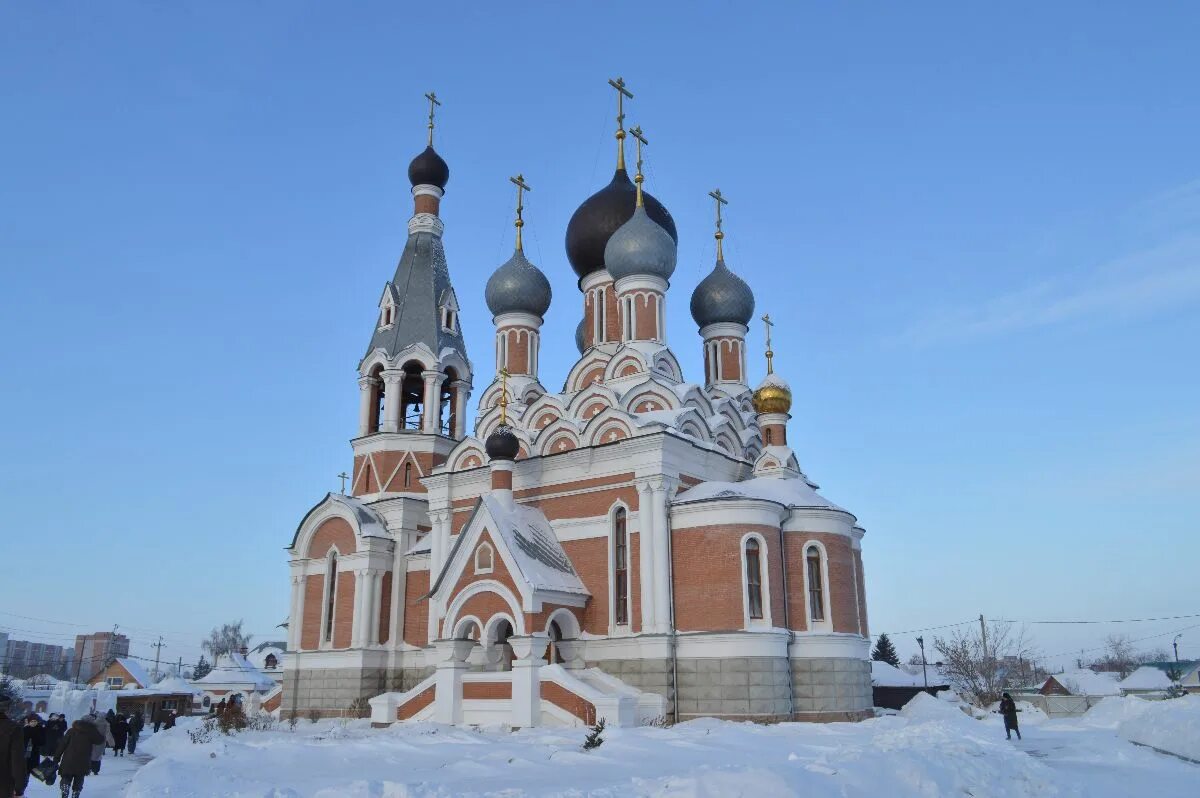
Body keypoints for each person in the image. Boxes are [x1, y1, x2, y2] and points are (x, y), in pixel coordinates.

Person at [54, 719, 104, 798]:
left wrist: (57, 757)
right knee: (79, 777)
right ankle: (76, 792)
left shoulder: (71, 730)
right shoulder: (91, 732)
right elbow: (100, 740)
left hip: (69, 758)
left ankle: (65, 786)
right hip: (83, 760)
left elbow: (63, 744)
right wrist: (94, 729)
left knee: (66, 775)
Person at [0, 689, 30, 798]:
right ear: (7, 709)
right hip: (3, 784)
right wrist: (19, 788)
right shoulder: (13, 728)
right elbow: (17, 760)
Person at [81, 712, 111, 776]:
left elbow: (89, 731)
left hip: (92, 741)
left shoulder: (94, 723)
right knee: (98, 756)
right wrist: (110, 742)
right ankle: (96, 770)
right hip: (101, 741)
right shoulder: (106, 723)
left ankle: (89, 769)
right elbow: (108, 733)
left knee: (90, 755)